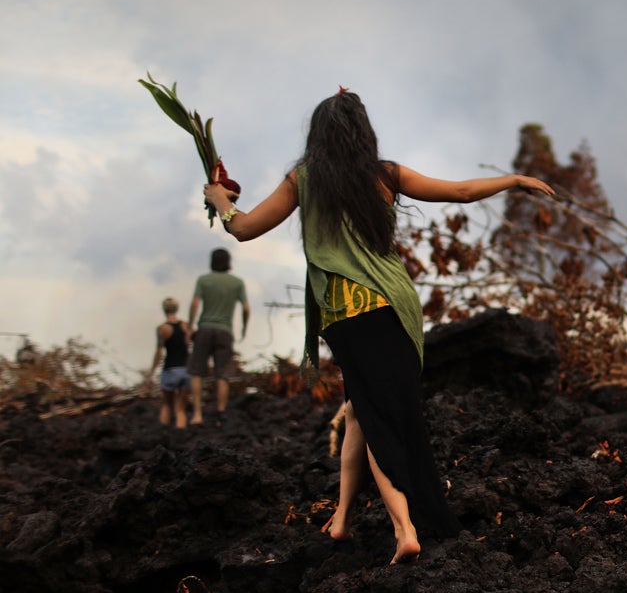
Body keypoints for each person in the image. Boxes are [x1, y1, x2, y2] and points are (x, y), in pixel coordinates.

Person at [202, 89, 554, 564]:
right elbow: (461, 192)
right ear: (363, 132)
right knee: (363, 411)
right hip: (397, 305)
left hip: (348, 315)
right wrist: (513, 180)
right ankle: (343, 519)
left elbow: (243, 228)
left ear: (318, 135)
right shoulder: (386, 174)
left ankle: (405, 529)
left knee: (374, 414)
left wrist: (220, 200)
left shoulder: (303, 179)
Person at [189, 248, 249, 425]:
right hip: (225, 331)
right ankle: (221, 412)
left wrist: (191, 326)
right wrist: (244, 327)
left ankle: (197, 414)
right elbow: (246, 308)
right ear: (229, 262)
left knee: (197, 372)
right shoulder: (237, 282)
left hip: (205, 328)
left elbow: (195, 303)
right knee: (222, 374)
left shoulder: (203, 280)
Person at [148, 297, 192, 428]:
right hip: (186, 370)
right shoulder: (186, 326)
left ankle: (163, 434)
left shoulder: (162, 328)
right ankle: (181, 434)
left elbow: (159, 352)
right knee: (181, 409)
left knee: (167, 405)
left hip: (170, 369)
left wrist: (152, 372)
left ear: (164, 310)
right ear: (177, 309)